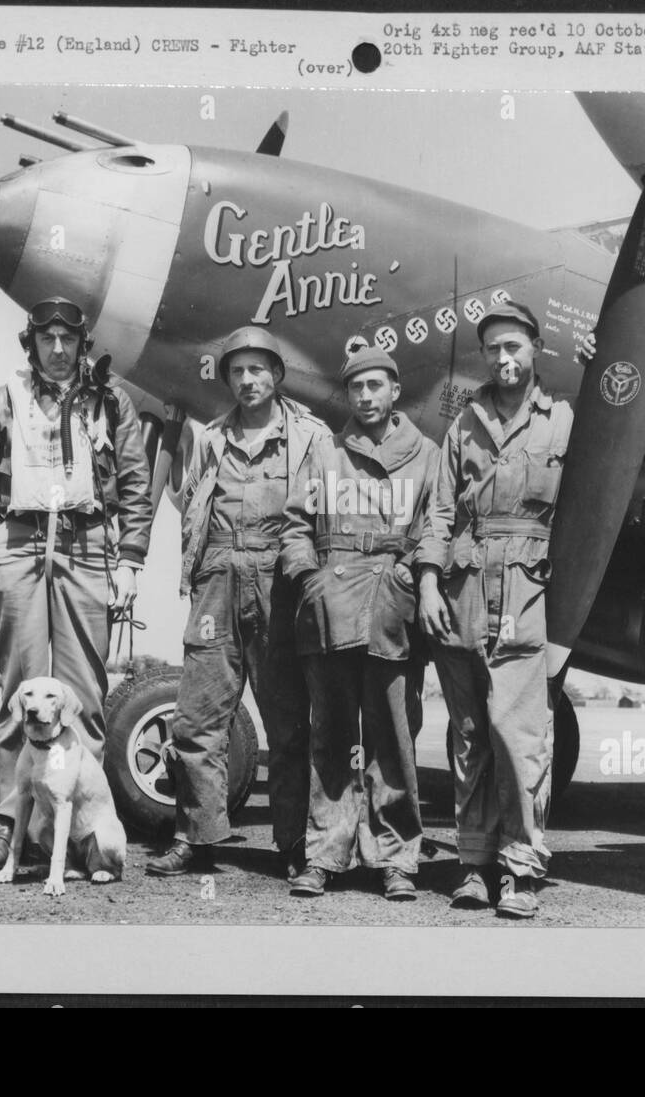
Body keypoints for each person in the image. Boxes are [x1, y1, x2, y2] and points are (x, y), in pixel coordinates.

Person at [0, 297, 154, 870]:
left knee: (81, 695)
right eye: (46, 338)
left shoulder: (111, 401)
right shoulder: (6, 399)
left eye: (68, 339)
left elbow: (136, 483)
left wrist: (131, 559)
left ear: (82, 344)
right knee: (21, 690)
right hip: (21, 542)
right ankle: (8, 824)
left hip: (88, 542)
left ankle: (81, 831)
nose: (58, 348)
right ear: (32, 343)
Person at [146, 327, 329, 878]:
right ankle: (196, 838)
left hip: (280, 579)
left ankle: (294, 844)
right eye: (237, 371)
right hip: (218, 579)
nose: (247, 380)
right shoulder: (210, 438)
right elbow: (195, 508)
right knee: (197, 719)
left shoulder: (312, 439)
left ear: (276, 374)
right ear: (227, 379)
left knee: (289, 722)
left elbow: (325, 515)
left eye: (257, 369)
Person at [415, 300, 573, 918]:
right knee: (469, 735)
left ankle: (521, 870)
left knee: (518, 734)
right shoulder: (464, 423)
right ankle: (474, 866)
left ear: (535, 349)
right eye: (493, 349)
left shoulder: (562, 421)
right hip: (462, 588)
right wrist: (428, 583)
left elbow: (602, 483)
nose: (504, 359)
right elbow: (440, 512)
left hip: (527, 588)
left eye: (514, 347)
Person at [280, 346, 439, 901]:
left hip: (392, 607)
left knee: (392, 739)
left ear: (395, 390)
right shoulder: (326, 453)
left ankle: (396, 858)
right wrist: (309, 579)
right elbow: (294, 524)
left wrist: (409, 579)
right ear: (347, 394)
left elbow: (435, 526)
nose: (366, 397)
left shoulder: (426, 455)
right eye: (357, 388)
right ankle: (325, 854)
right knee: (332, 737)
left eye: (377, 385)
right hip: (331, 606)